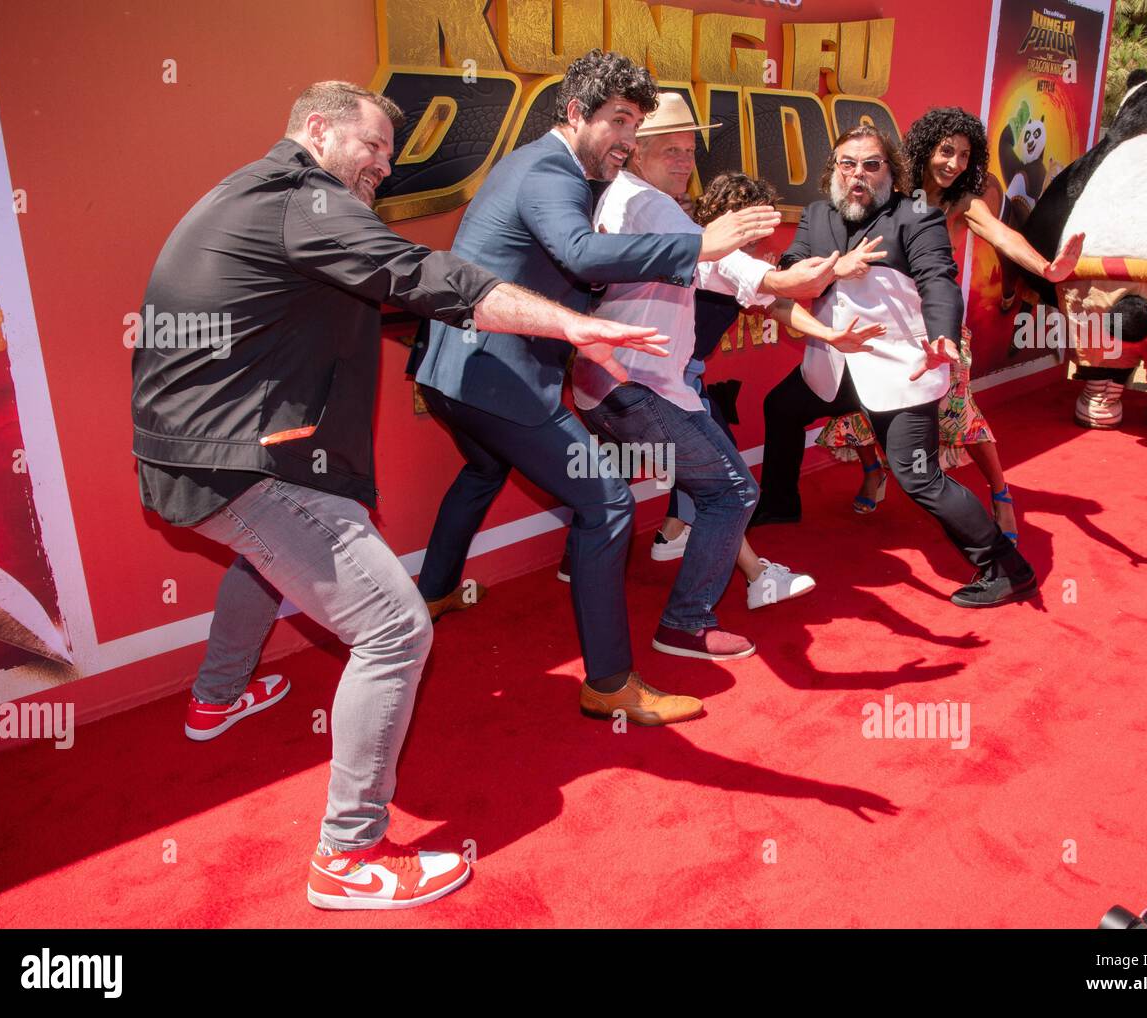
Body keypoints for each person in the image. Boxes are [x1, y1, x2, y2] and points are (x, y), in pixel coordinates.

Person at [131, 81, 669, 910]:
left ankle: (216, 698)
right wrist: (571, 325)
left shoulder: (260, 196)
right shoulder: (304, 198)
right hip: (242, 462)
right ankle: (346, 858)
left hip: (202, 455)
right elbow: (421, 271)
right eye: (374, 146)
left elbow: (372, 293)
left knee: (267, 559)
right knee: (391, 628)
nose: (384, 164)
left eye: (390, 152)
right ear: (316, 130)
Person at [411, 52, 780, 723]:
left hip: (455, 371)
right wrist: (700, 245)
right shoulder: (550, 171)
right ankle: (609, 684)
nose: (627, 139)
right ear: (575, 113)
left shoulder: (548, 170)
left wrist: (595, 324)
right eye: (617, 121)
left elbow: (564, 270)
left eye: (634, 125)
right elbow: (579, 255)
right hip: (494, 374)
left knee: (485, 466)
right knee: (607, 504)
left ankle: (432, 591)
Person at [571, 98, 884, 659]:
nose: (686, 159)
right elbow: (728, 264)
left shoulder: (638, 202)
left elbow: (719, 267)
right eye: (672, 148)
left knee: (644, 489)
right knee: (733, 490)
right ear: (637, 149)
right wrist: (799, 276)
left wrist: (801, 284)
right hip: (636, 387)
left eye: (691, 150)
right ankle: (685, 622)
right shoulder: (647, 204)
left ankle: (632, 564)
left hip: (615, 386)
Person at [750, 125, 1038, 607]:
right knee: (782, 406)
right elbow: (788, 278)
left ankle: (1007, 569)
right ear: (834, 169)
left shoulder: (916, 216)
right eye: (847, 163)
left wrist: (943, 335)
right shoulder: (817, 216)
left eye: (871, 164)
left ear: (891, 171)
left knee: (917, 475)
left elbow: (938, 280)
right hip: (837, 365)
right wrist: (831, 270)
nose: (857, 174)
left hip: (896, 371)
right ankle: (779, 503)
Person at [815, 107, 1084, 544]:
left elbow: (1002, 236)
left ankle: (1001, 495)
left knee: (957, 412)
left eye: (964, 155)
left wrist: (1047, 268)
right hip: (878, 324)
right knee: (857, 403)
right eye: (946, 151)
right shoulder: (889, 189)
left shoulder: (963, 202)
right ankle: (872, 472)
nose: (954, 164)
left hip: (937, 331)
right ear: (925, 149)